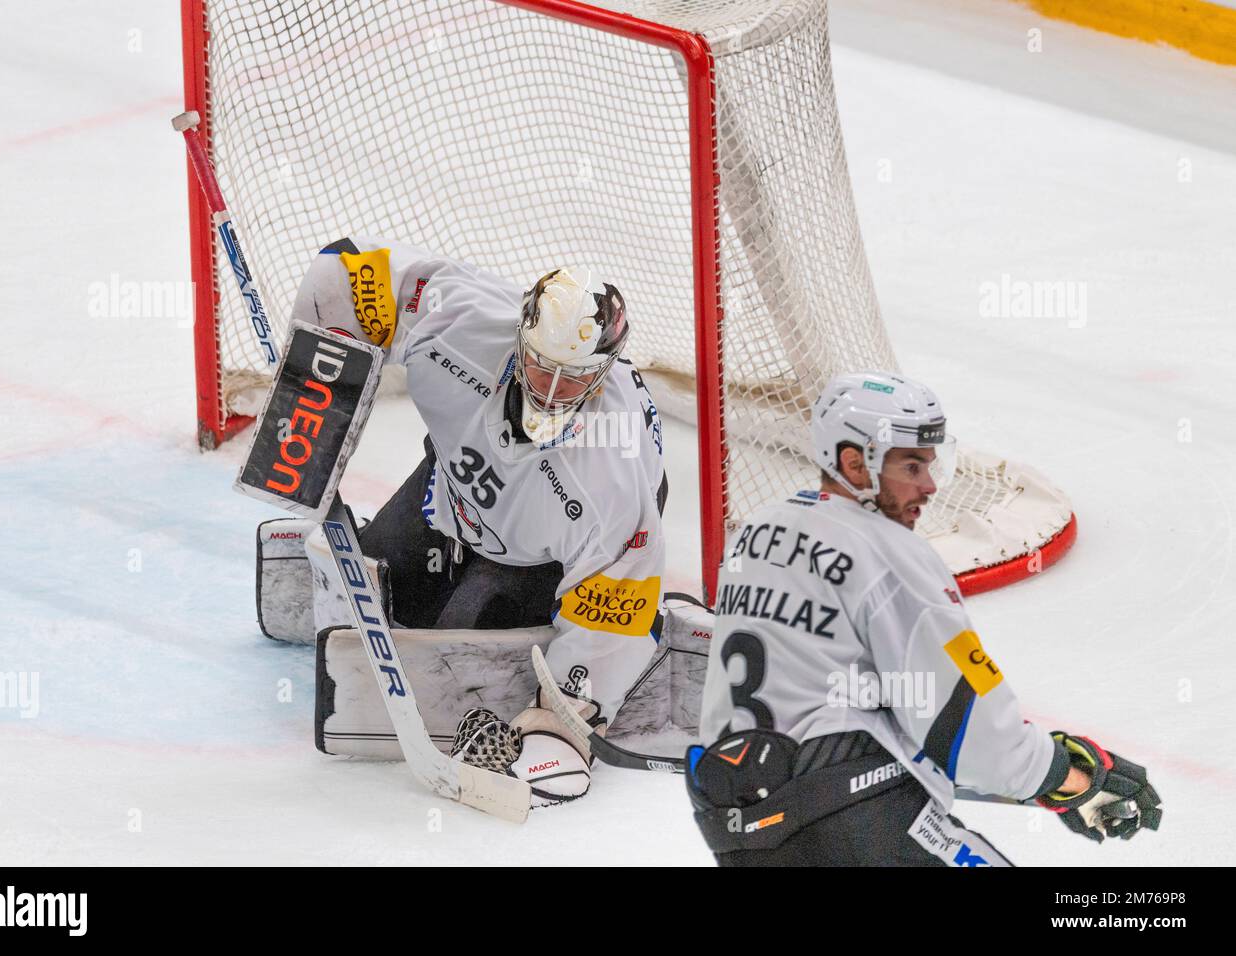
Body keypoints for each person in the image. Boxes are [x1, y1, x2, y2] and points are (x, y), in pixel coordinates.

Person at [688, 371, 1161, 865]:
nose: (931, 486)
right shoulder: (891, 552)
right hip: (851, 818)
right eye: (912, 466)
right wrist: (1065, 774)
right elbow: (966, 725)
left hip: (735, 829)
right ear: (854, 464)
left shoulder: (756, 532)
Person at [289, 237, 666, 806]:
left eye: (575, 379)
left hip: (538, 552)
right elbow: (346, 272)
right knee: (375, 585)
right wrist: (313, 381)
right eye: (542, 369)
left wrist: (562, 724)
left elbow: (613, 607)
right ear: (521, 339)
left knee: (448, 647)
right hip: (453, 490)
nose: (554, 392)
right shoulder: (459, 323)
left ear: (603, 372)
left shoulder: (613, 475)